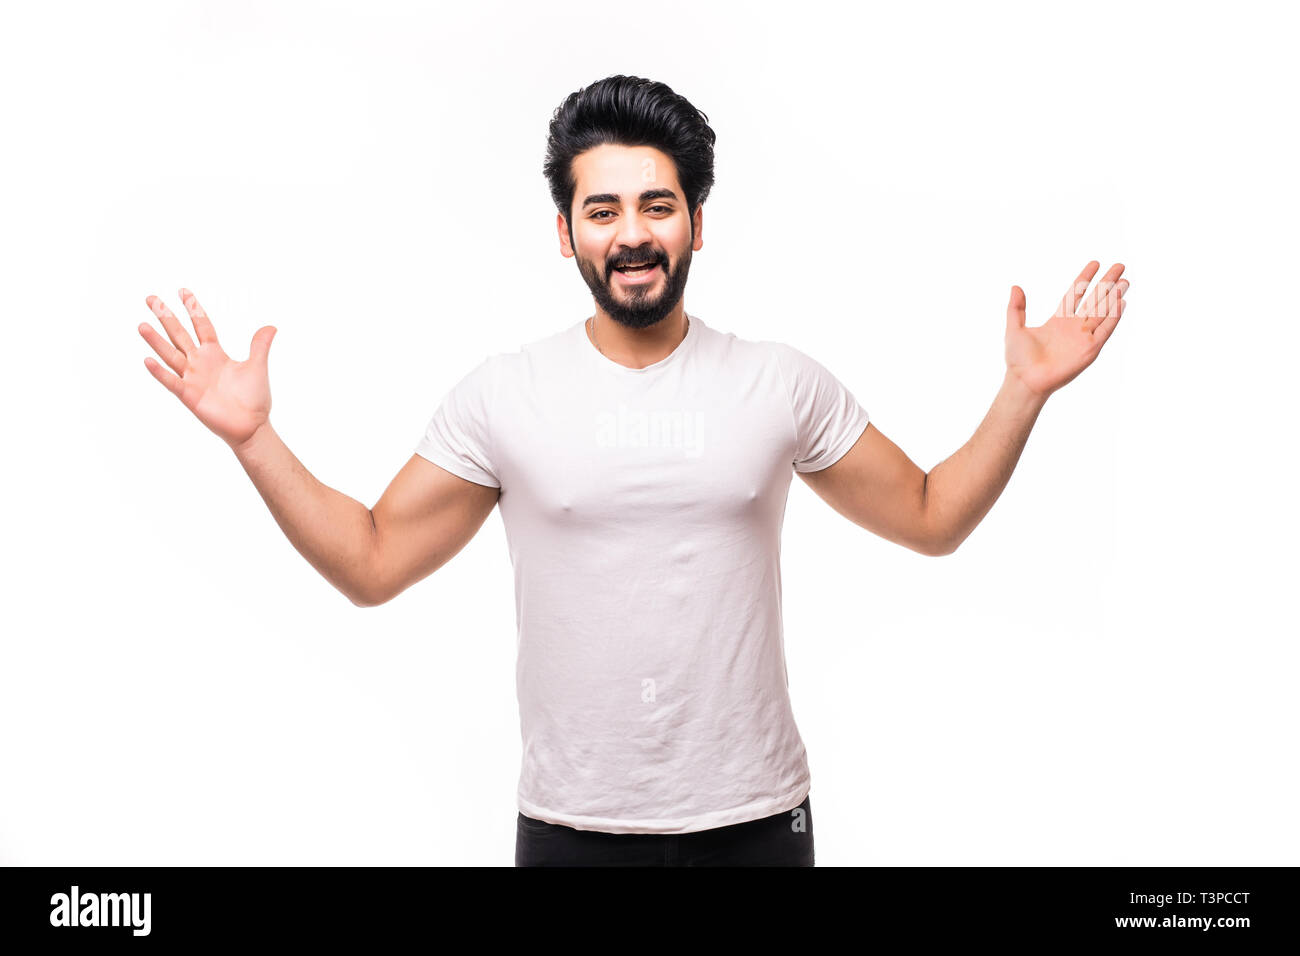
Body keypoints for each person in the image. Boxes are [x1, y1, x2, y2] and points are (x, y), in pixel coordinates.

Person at [138, 75, 1129, 867]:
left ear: (695, 223)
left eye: (657, 205)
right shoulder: (504, 393)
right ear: (566, 232)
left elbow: (929, 515)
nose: (632, 234)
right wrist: (253, 438)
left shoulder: (777, 382)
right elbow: (370, 561)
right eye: (602, 208)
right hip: (570, 827)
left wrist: (1023, 390)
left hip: (755, 820)